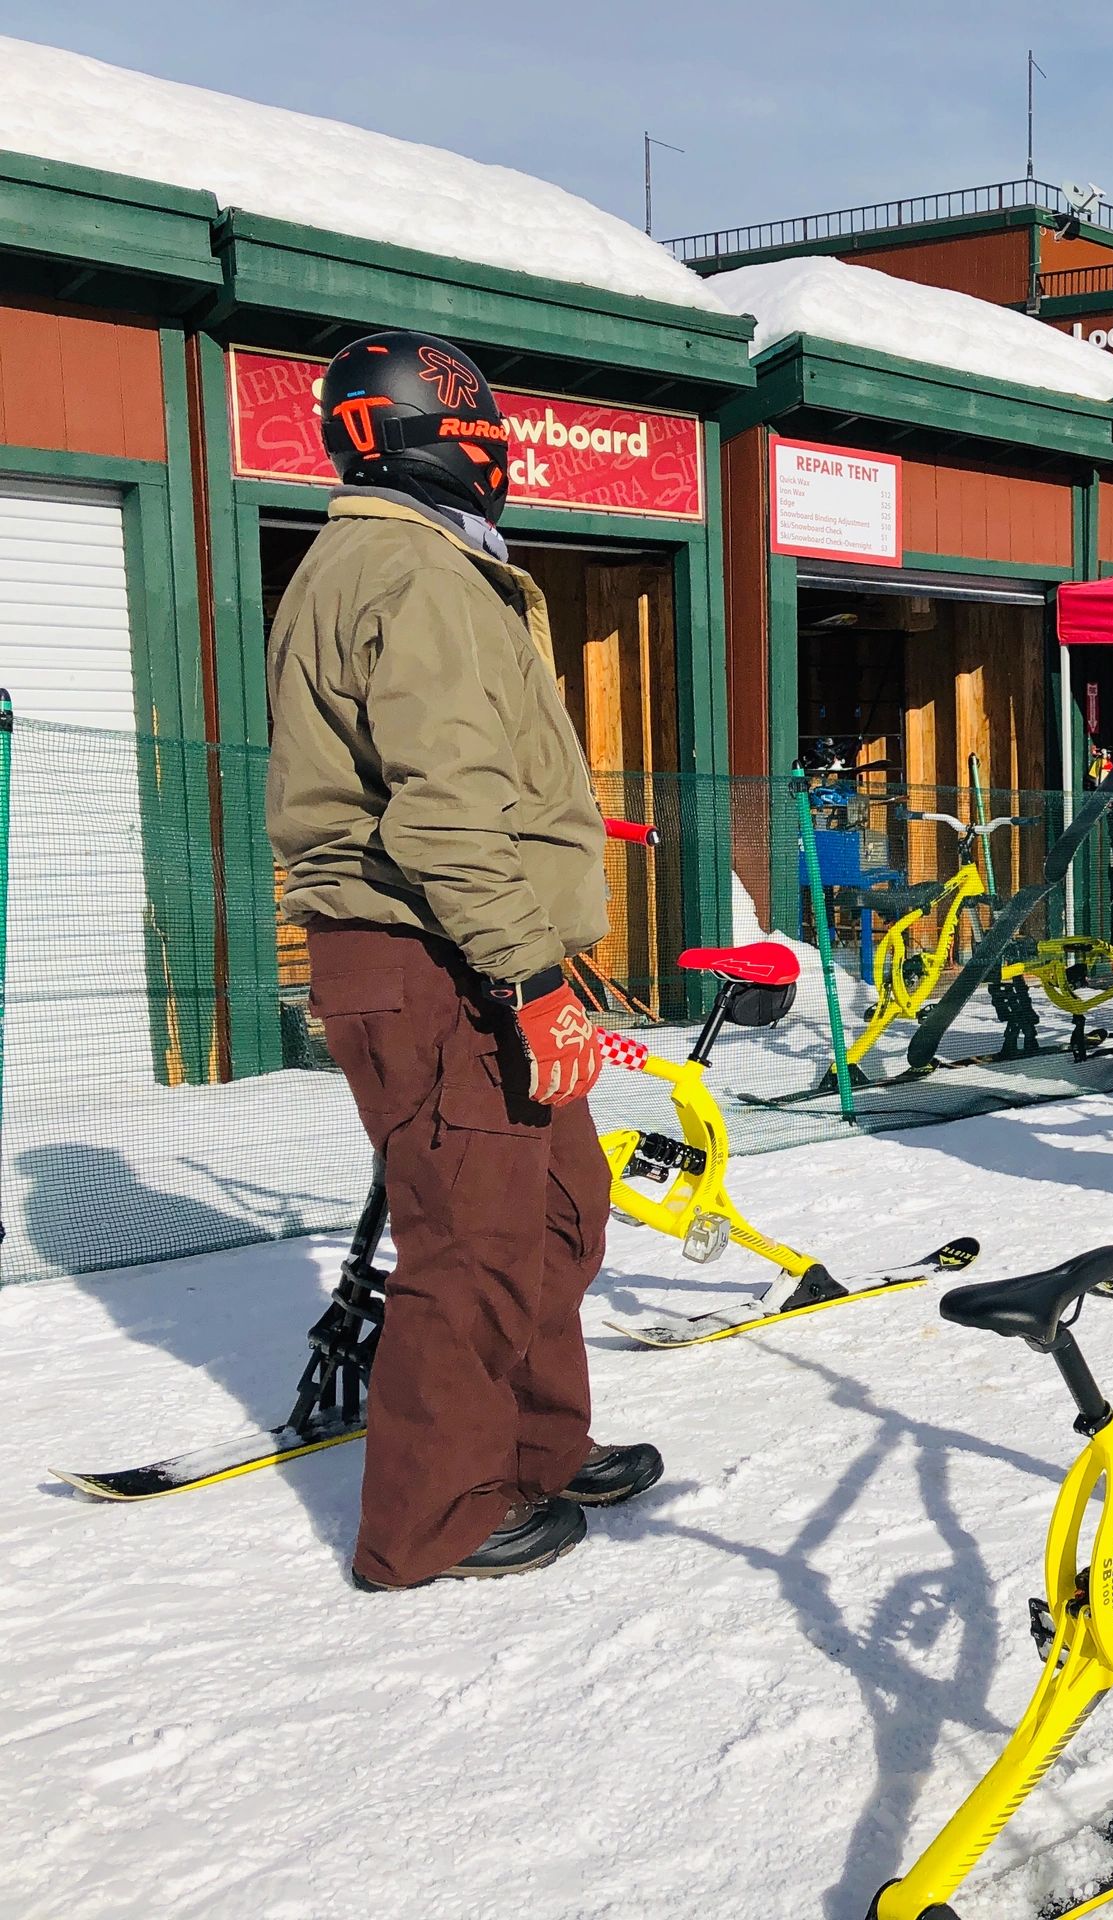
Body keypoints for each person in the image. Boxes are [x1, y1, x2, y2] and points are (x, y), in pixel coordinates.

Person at [266, 329, 661, 1590]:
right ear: (426, 441)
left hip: (478, 949)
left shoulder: (419, 562)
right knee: (473, 1243)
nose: (498, 455)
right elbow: (442, 815)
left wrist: (537, 956)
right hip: (433, 956)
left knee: (556, 1212)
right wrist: (531, 983)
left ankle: (535, 1450)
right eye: (483, 432)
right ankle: (431, 1519)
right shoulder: (413, 570)